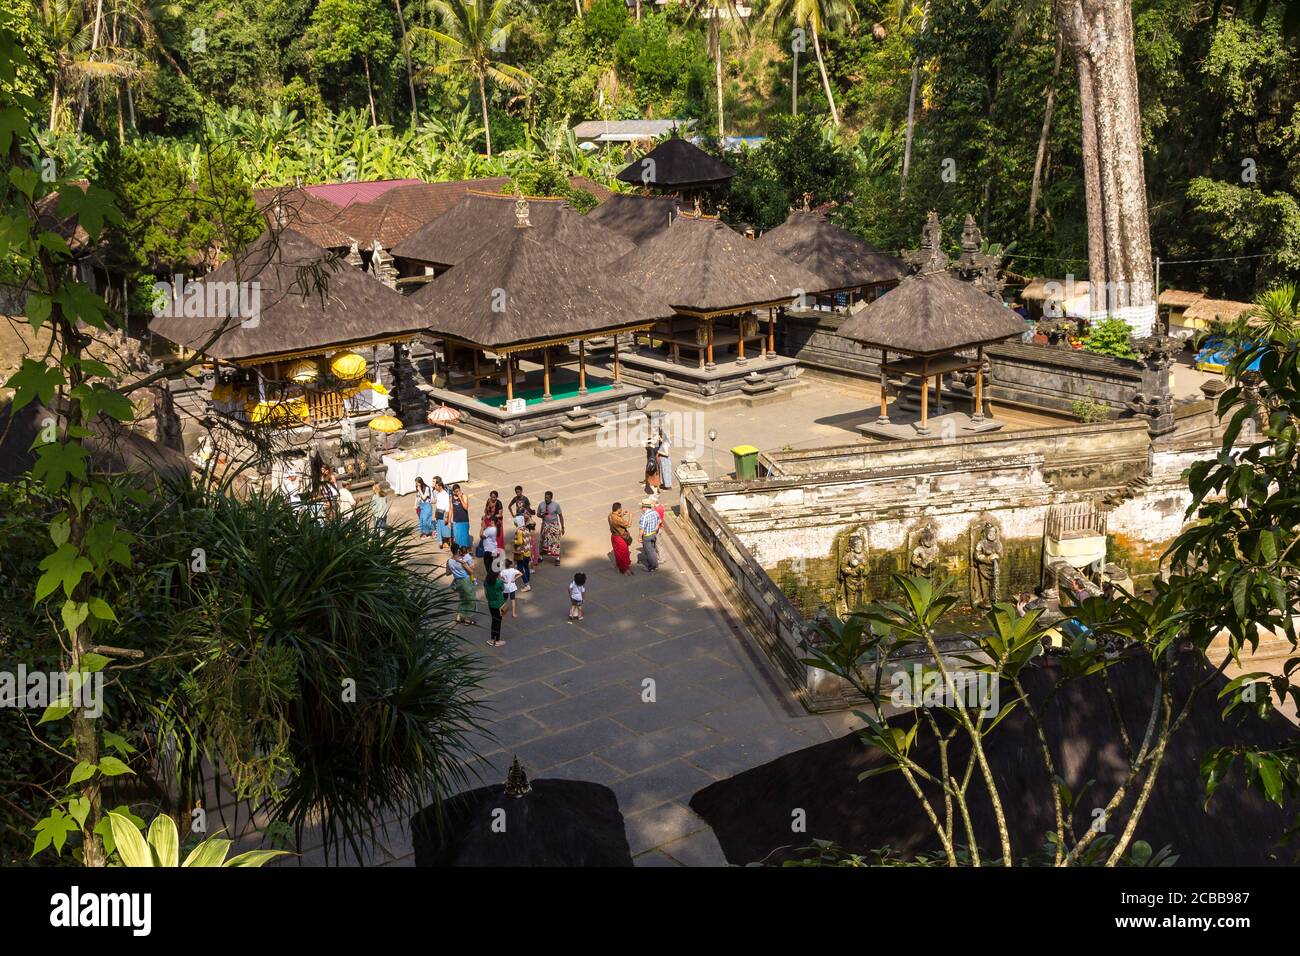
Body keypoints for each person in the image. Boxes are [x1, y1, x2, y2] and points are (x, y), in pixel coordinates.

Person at [448, 545, 477, 624]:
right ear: (458, 551)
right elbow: (471, 571)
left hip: (457, 582)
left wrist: (455, 570)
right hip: (466, 582)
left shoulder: (449, 561)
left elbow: (447, 573)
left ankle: (459, 616)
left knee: (463, 598)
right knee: (471, 600)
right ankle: (467, 619)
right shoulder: (462, 561)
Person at [539, 491, 564, 566]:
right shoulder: (541, 504)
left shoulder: (556, 505)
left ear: (551, 498)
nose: (546, 499)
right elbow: (538, 514)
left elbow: (560, 516)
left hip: (554, 525)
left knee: (555, 541)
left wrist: (562, 527)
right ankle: (541, 557)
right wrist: (542, 515)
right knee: (542, 540)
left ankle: (557, 558)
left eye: (548, 498)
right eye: (545, 497)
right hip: (545, 524)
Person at [609, 501, 633, 575]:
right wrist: (630, 517)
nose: (621, 509)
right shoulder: (617, 519)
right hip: (620, 537)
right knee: (624, 554)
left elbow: (616, 519)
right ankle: (625, 570)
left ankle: (619, 567)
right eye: (621, 508)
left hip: (614, 537)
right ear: (618, 509)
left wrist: (622, 514)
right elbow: (628, 525)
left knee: (618, 554)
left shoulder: (610, 515)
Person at [484, 570, 506, 646]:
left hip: (491, 604)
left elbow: (486, 593)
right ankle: (497, 640)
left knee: (494, 621)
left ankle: (492, 638)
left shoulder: (486, 582)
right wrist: (501, 580)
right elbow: (503, 589)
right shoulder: (499, 582)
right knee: (498, 622)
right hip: (499, 604)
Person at [639, 497, 661, 571]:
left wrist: (639, 537)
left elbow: (642, 529)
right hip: (654, 534)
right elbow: (659, 522)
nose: (641, 508)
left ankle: (652, 567)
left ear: (645, 507)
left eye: (642, 507)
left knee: (649, 551)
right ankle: (655, 564)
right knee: (653, 550)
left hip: (647, 536)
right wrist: (655, 530)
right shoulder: (655, 512)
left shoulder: (644, 517)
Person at [513, 519, 534, 591]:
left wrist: (514, 541)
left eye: (515, 523)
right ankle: (527, 580)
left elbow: (520, 542)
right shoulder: (526, 529)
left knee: (520, 568)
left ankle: (527, 585)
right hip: (528, 551)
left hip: (522, 552)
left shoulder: (519, 531)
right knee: (526, 566)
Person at [451, 484, 472, 549]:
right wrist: (449, 521)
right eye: (456, 491)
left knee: (465, 537)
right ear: (453, 492)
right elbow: (451, 509)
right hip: (456, 521)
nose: (458, 492)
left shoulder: (464, 496)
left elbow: (466, 507)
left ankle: (466, 550)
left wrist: (460, 498)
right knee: (457, 537)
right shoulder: (451, 498)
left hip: (464, 520)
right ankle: (459, 550)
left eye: (459, 490)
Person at [434, 478, 452, 549]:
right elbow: (437, 504)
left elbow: (447, 507)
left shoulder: (445, 494)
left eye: (436, 486)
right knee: (439, 528)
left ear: (440, 486)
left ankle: (446, 542)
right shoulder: (438, 494)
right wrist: (435, 514)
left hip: (443, 513)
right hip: (438, 513)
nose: (435, 487)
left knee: (445, 528)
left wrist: (446, 517)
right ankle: (441, 542)